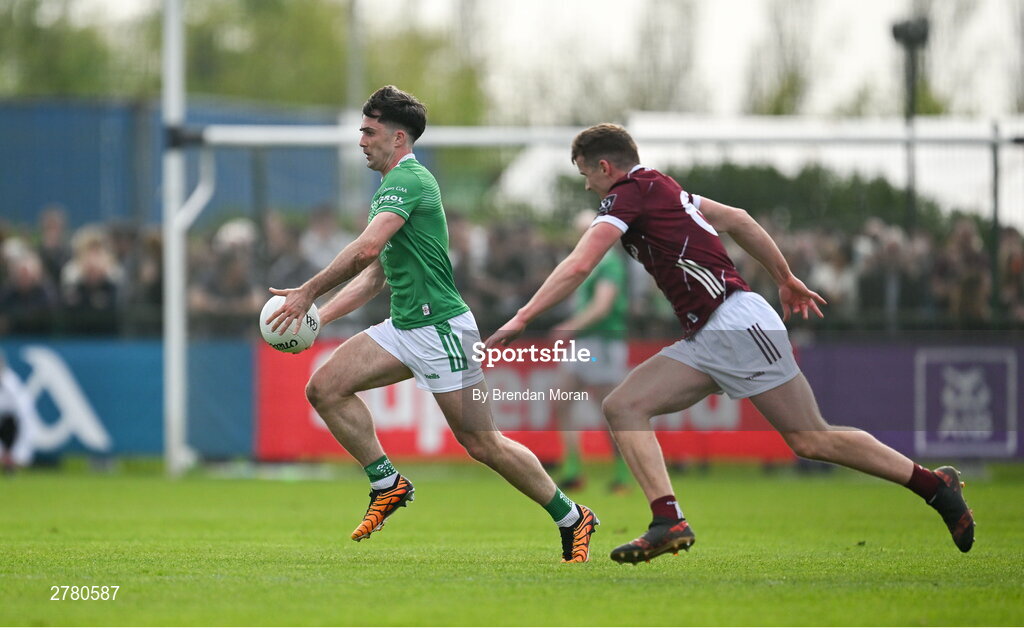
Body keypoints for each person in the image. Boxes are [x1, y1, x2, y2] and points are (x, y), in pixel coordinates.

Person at [486, 123, 974, 564]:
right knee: (624, 406)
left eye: (586, 175)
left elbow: (579, 264)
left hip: (734, 323)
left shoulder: (629, 193)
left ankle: (936, 486)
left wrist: (523, 316)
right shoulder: (664, 187)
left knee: (811, 438)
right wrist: (784, 277)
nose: (588, 186)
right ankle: (668, 520)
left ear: (605, 167)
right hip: (708, 332)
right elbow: (737, 218)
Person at [265, 86, 597, 562]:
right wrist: (313, 318)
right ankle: (387, 482)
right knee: (324, 388)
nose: (360, 140)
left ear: (398, 138)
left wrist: (307, 293)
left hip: (442, 330)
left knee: (483, 444)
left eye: (368, 131)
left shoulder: (409, 180)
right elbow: (378, 275)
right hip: (404, 328)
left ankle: (572, 516)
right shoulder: (391, 187)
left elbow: (364, 252)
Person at [550, 210, 632, 494]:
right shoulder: (590, 263)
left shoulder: (608, 263)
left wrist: (570, 326)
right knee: (561, 399)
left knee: (611, 411)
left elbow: (602, 306)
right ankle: (573, 468)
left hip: (602, 342)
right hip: (585, 343)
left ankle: (623, 473)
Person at [0, 349, 38, 473]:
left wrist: (19, 453)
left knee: (9, 425)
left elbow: (25, 415)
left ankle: (9, 463)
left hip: (8, 424)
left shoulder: (12, 383)